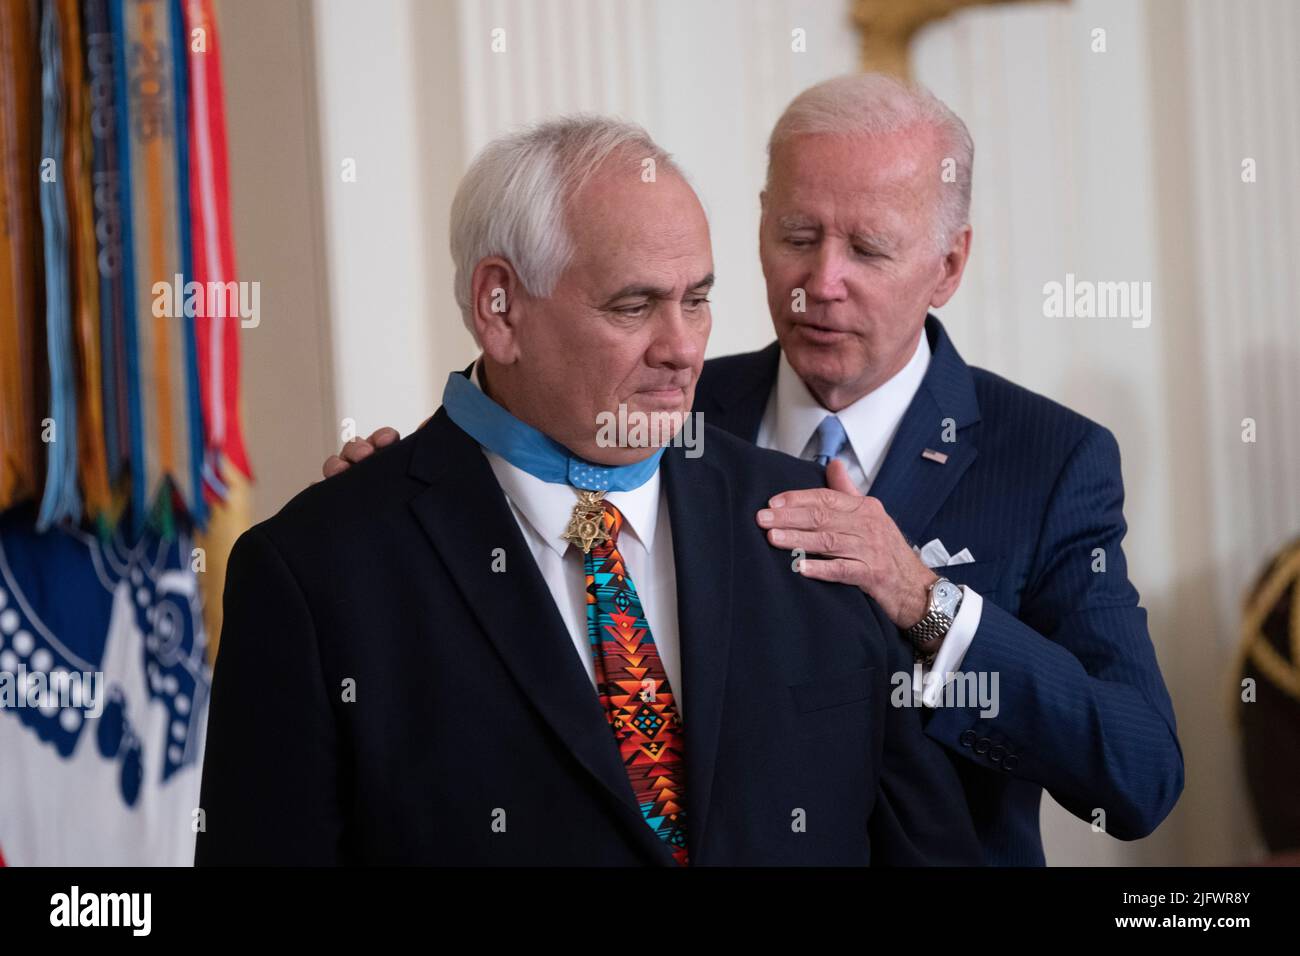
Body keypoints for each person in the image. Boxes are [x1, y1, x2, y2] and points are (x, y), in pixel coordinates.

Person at [328, 75, 1184, 865]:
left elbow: (1140, 772)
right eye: (796, 237)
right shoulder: (654, 409)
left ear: (948, 267)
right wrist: (402, 512)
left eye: (869, 250)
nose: (821, 283)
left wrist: (928, 607)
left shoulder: (1049, 461)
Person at [197, 115, 982, 866]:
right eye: (633, 305)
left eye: (698, 300)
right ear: (499, 309)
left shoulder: (816, 520)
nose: (681, 349)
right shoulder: (318, 573)